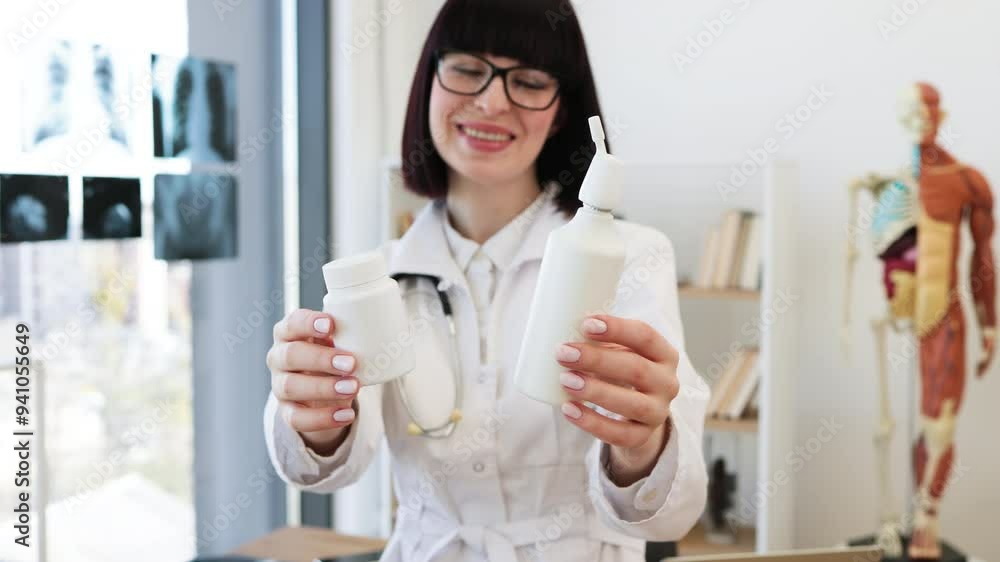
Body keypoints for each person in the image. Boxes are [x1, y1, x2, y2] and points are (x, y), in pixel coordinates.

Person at [264, 1, 708, 560]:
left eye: (527, 80)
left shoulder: (632, 256)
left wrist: (645, 443)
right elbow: (322, 472)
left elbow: (674, 511)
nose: (493, 102)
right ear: (429, 81)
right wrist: (312, 415)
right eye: (468, 69)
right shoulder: (381, 277)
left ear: (561, 110)